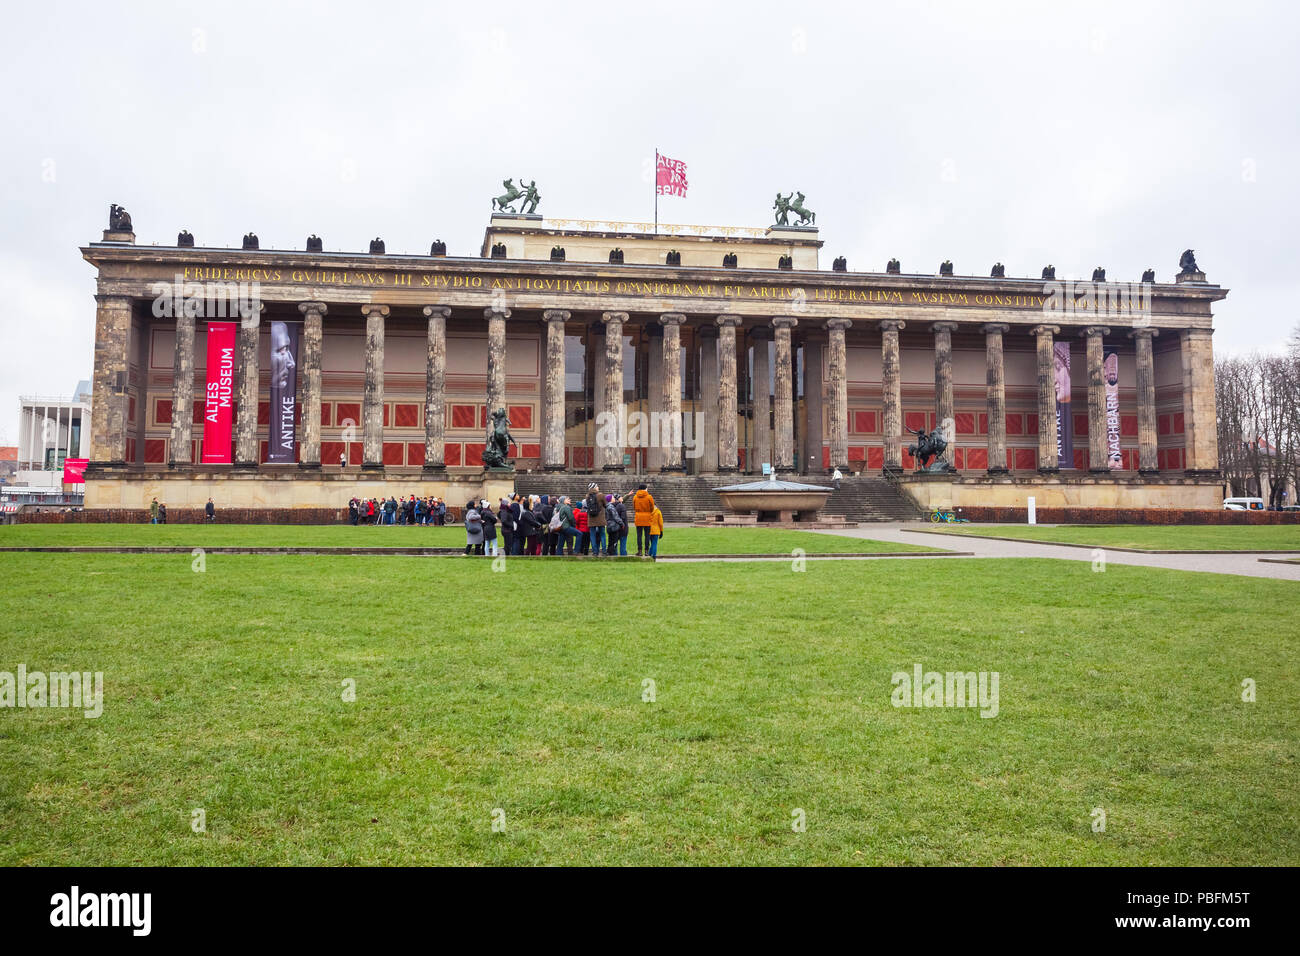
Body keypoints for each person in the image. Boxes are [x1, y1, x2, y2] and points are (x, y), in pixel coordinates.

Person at [632, 484, 655, 556]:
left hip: (638, 517)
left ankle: (639, 551)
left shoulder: (635, 497)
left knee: (639, 535)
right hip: (647, 517)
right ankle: (646, 551)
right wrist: (648, 512)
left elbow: (634, 507)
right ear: (645, 489)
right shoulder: (649, 497)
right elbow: (652, 507)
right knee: (647, 535)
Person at [585, 482, 606, 556]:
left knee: (592, 536)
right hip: (600, 518)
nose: (598, 487)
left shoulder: (587, 496)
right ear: (594, 488)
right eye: (597, 486)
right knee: (602, 535)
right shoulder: (601, 495)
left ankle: (595, 552)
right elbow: (606, 504)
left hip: (591, 519)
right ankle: (604, 551)